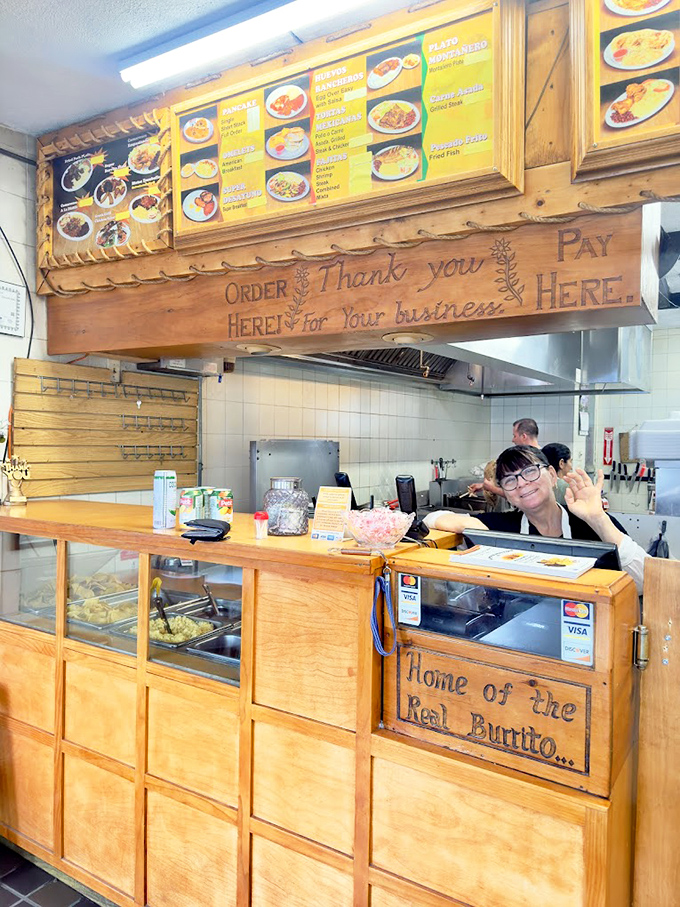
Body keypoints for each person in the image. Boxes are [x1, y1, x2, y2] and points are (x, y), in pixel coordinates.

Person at [425, 445, 646, 594]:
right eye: (510, 480)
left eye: (530, 471)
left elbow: (644, 582)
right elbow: (432, 519)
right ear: (506, 492)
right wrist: (471, 524)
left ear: (552, 475)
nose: (521, 483)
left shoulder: (592, 525)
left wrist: (598, 518)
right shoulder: (503, 527)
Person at [542, 442, 572, 506]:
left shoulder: (539, 485)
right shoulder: (568, 488)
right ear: (561, 463)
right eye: (570, 461)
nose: (571, 467)